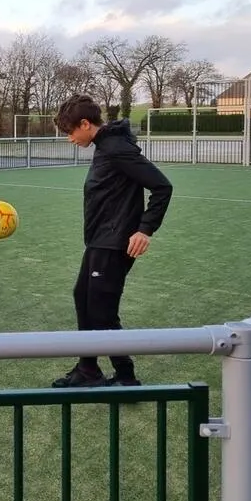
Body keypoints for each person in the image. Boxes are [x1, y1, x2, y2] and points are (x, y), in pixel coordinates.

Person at [50, 94, 173, 388]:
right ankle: (88, 368)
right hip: (100, 240)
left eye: (70, 131)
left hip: (115, 242)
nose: (69, 138)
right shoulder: (105, 146)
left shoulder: (116, 148)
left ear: (85, 124)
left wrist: (145, 230)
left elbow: (162, 186)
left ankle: (126, 375)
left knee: (102, 309)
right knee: (83, 297)